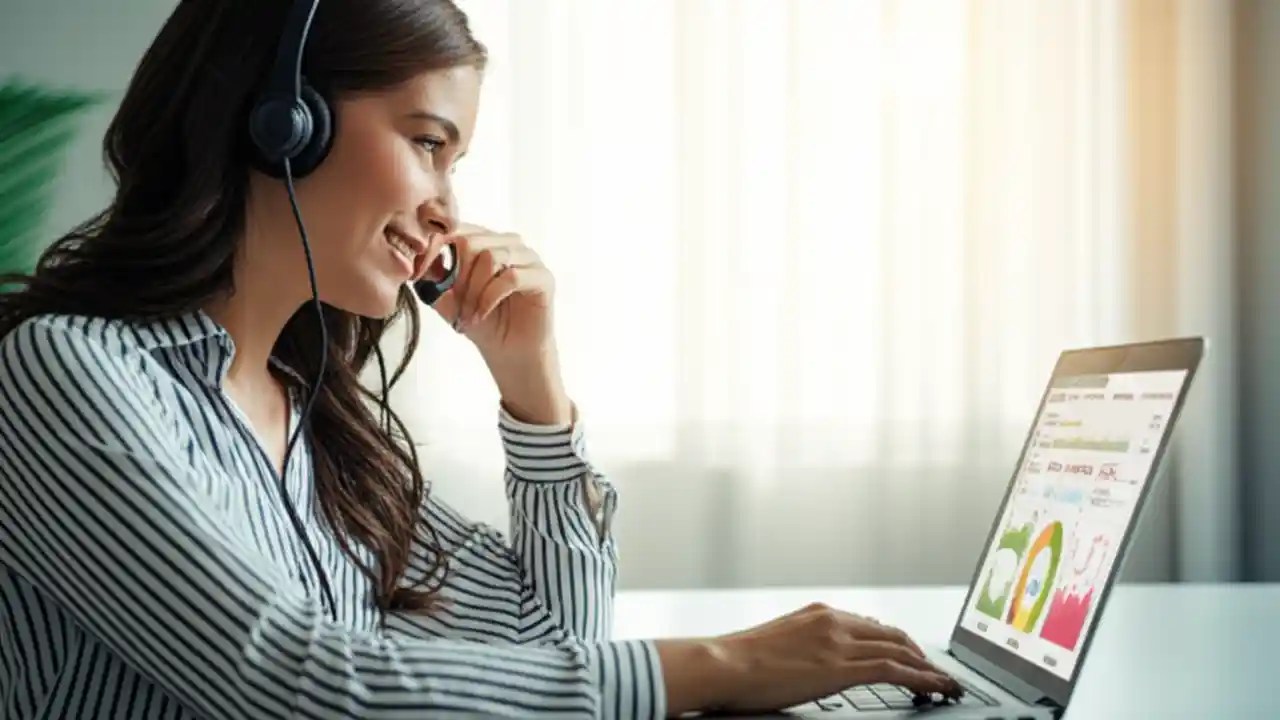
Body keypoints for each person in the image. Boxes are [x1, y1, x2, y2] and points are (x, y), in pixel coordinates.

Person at [0, 1, 962, 717]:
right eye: (427, 143)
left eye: (452, 163)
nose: (446, 209)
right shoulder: (66, 373)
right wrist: (722, 665)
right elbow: (301, 685)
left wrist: (533, 386)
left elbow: (556, 638)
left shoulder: (309, 417)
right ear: (283, 122)